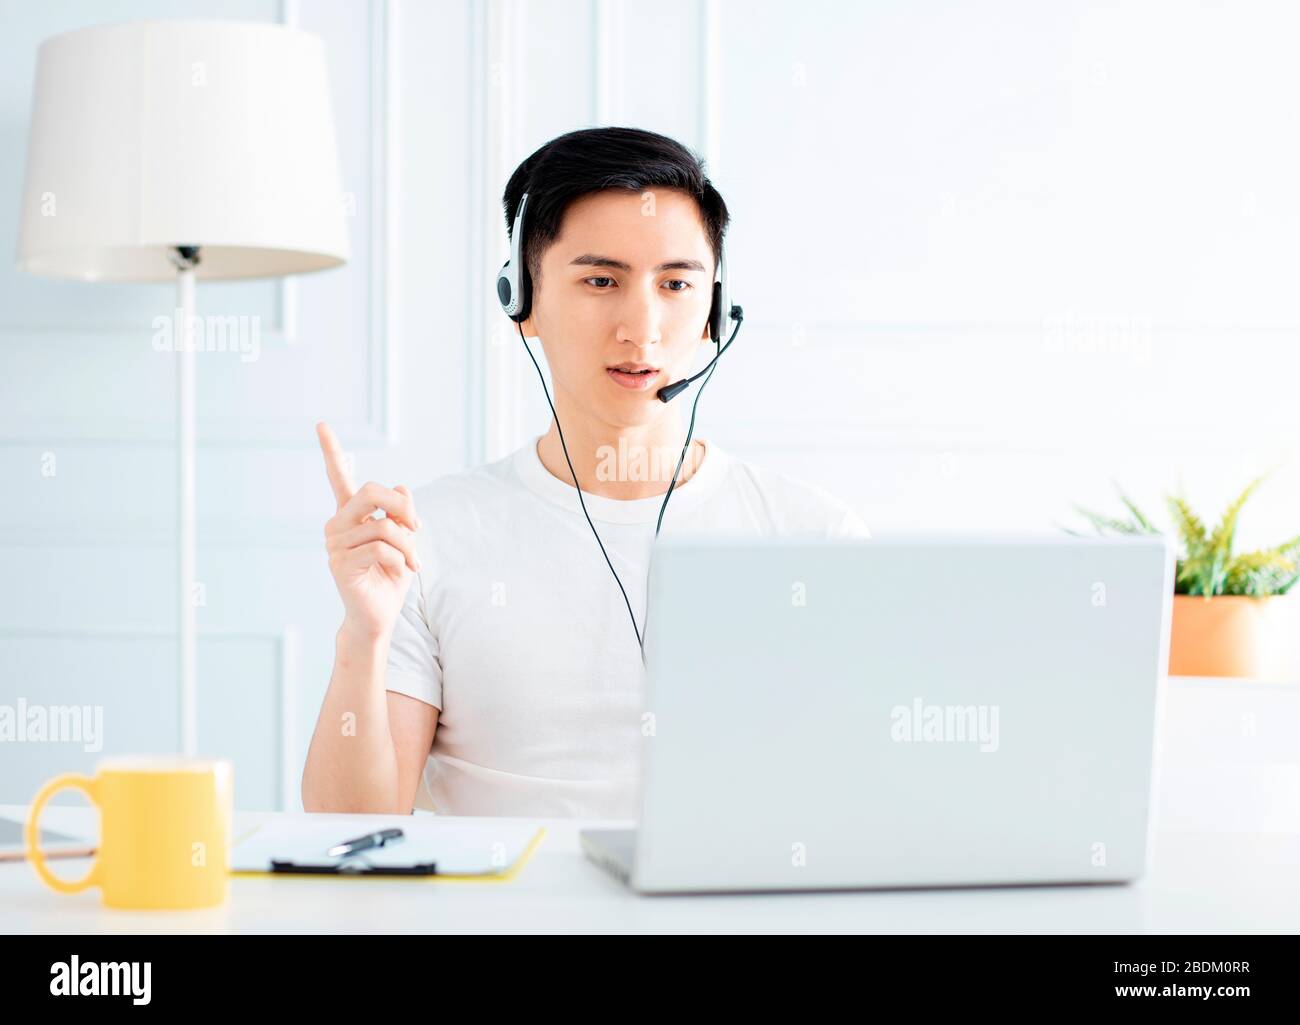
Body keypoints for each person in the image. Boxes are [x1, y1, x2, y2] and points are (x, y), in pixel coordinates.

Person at [301, 126, 869, 818]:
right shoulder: (429, 535)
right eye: (601, 280)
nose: (642, 327)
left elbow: (862, 808)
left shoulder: (813, 536)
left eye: (677, 283)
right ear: (523, 300)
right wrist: (364, 634)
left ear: (715, 311)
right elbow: (353, 829)